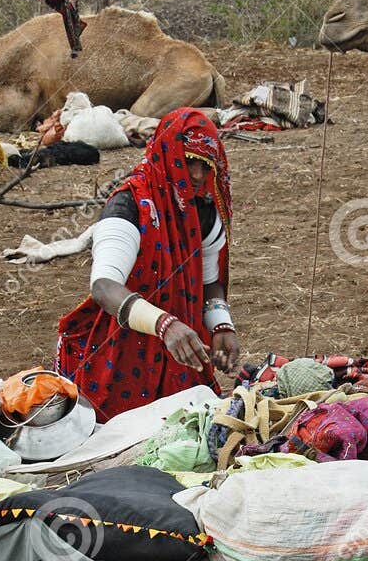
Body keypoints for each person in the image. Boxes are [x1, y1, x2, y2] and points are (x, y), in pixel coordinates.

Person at [56, 108, 239, 420]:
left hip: (178, 355)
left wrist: (221, 324)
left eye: (205, 166)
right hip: (119, 353)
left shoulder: (204, 211)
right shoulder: (130, 205)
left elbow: (209, 282)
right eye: (188, 162)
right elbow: (104, 287)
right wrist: (164, 324)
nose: (196, 175)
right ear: (168, 157)